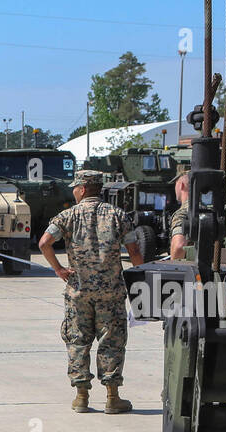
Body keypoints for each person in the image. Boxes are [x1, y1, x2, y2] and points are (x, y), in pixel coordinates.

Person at [38, 169, 144, 414]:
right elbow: (135, 252)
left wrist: (59, 269)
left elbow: (44, 243)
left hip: (79, 291)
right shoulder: (119, 215)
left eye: (75, 187)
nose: (73, 191)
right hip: (111, 292)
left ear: (83, 189)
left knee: (77, 341)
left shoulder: (66, 216)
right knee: (112, 341)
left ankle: (81, 397)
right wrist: (141, 280)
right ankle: (112, 397)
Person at [169, 172, 191, 261]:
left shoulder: (183, 213)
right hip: (209, 268)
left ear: (181, 185)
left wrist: (173, 267)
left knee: (156, 275)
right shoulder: (207, 210)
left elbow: (179, 246)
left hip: (189, 270)